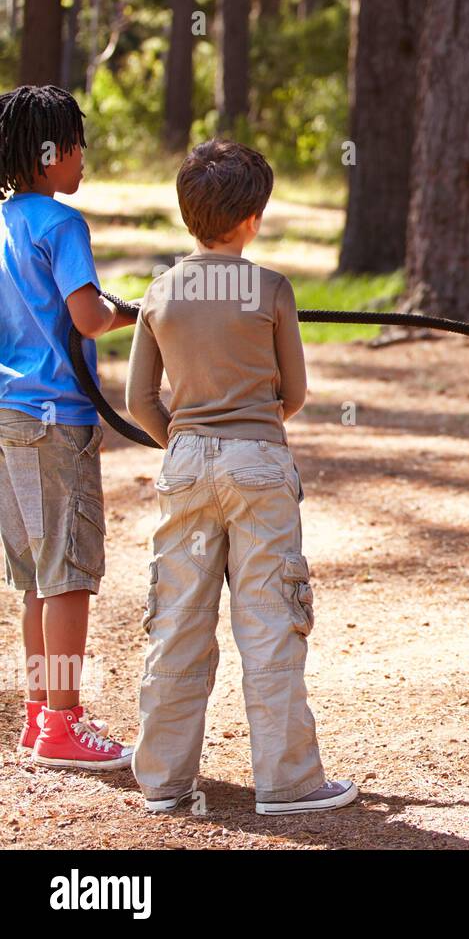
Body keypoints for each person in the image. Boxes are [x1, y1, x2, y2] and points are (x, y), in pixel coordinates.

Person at [125, 139, 356, 813]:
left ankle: (164, 781)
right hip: (258, 461)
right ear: (253, 218)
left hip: (187, 462)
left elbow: (140, 401)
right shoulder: (271, 288)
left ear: (187, 214)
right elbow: (297, 393)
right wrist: (251, 430)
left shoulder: (160, 291)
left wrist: (188, 442)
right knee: (270, 621)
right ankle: (288, 782)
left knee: (177, 620)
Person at [0, 85, 136, 768]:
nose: (83, 157)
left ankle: (37, 715)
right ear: (50, 156)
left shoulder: (1, 224)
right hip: (58, 425)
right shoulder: (60, 226)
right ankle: (63, 721)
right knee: (71, 577)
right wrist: (129, 312)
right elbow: (88, 317)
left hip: (10, 420)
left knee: (35, 580)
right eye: (75, 145)